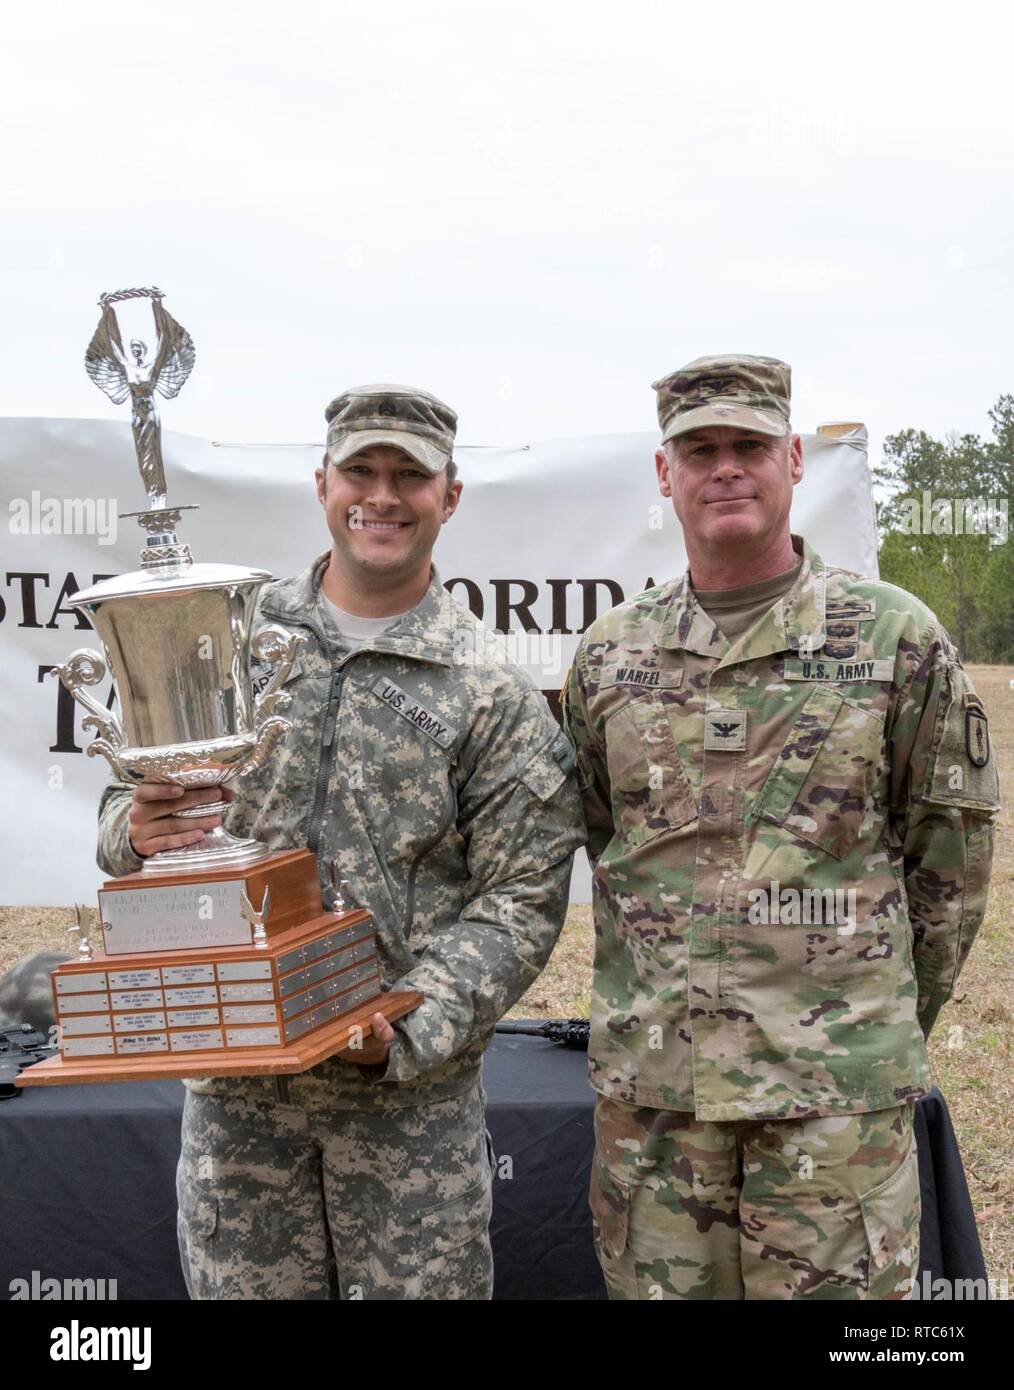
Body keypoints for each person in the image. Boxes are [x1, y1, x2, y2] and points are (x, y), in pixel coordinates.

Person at [97, 383, 585, 1300]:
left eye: (410, 475)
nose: (383, 495)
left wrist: (402, 1023)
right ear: (322, 482)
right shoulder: (229, 640)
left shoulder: (487, 688)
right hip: (238, 1099)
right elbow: (129, 799)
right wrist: (133, 828)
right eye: (361, 469)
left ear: (452, 495)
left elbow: (520, 898)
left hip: (407, 1118)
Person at [562, 354, 999, 1300]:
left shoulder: (892, 637)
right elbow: (609, 835)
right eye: (701, 449)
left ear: (794, 460)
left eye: (750, 446)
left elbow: (949, 862)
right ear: (664, 472)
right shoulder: (610, 655)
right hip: (658, 1107)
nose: (727, 468)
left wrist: (870, 1025)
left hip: (833, 1112)